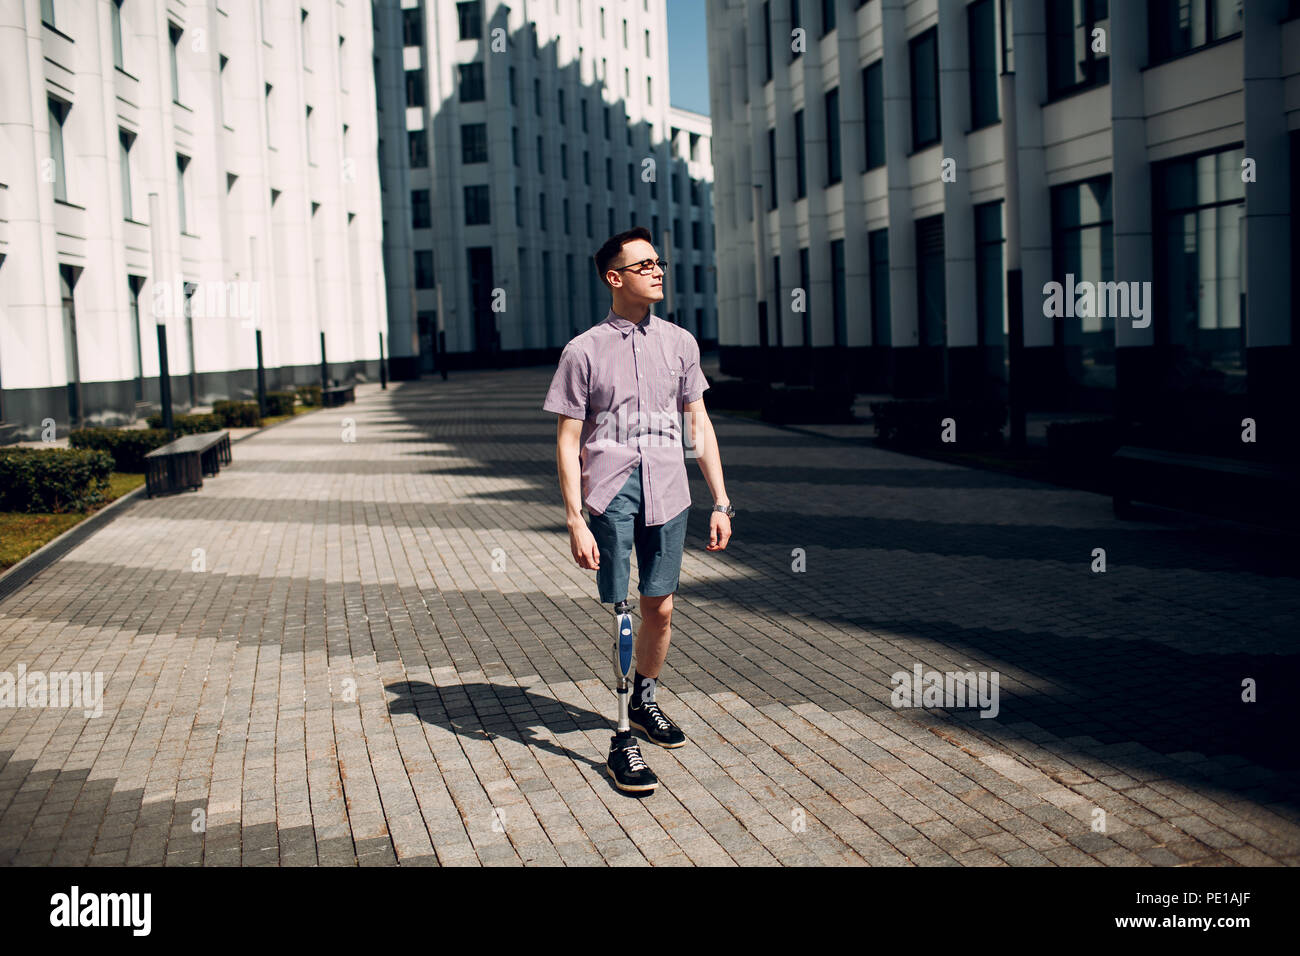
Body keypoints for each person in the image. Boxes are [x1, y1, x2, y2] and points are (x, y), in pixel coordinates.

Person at [542, 226, 733, 793]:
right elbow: (567, 437)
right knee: (625, 613)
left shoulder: (680, 342)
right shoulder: (583, 350)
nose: (657, 271)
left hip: (670, 492)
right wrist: (575, 518)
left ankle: (646, 698)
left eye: (659, 263)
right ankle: (621, 737)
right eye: (644, 264)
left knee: (663, 609)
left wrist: (721, 501)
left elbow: (698, 423)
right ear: (614, 276)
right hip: (611, 492)